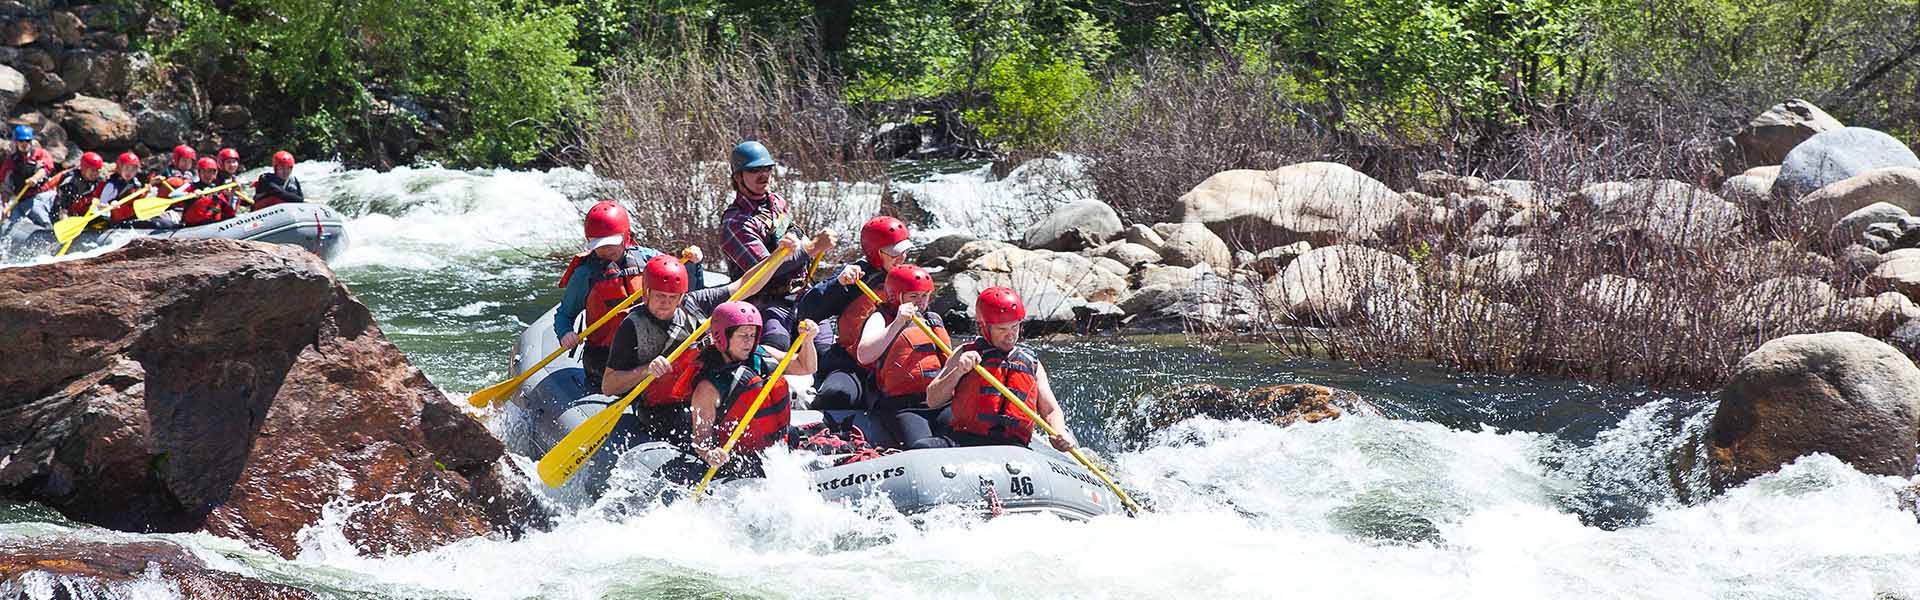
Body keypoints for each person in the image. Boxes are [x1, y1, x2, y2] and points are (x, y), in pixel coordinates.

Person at [601, 235, 802, 440]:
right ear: (646, 292)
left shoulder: (693, 303)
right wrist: (646, 369)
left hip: (705, 393)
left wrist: (777, 256)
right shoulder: (632, 327)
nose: (666, 303)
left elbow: (745, 284)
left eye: (673, 297)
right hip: (662, 408)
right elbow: (609, 386)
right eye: (660, 296)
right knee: (710, 432)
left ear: (681, 296)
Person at [554, 200, 704, 392]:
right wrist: (566, 333)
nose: (606, 251)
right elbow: (564, 315)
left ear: (626, 236)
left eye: (611, 244)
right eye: (600, 245)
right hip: (606, 359)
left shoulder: (648, 258)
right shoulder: (585, 275)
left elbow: (680, 283)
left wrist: (694, 263)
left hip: (651, 349)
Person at [671, 302, 818, 483]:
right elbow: (701, 436)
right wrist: (709, 454)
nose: (749, 341)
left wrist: (808, 340)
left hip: (779, 447)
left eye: (752, 335)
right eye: (742, 336)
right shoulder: (708, 387)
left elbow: (806, 366)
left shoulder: (763, 353)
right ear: (722, 337)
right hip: (741, 460)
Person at [921, 287, 1078, 453]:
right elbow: (933, 400)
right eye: (1002, 329)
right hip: (965, 441)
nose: (1010, 335)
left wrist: (1059, 432)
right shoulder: (965, 353)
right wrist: (958, 371)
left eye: (1014, 327)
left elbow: (1051, 410)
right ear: (984, 328)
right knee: (921, 447)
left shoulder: (1032, 363)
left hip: (1013, 447)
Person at [718, 140, 835, 350]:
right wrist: (813, 247)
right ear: (738, 177)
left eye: (767, 169)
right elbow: (765, 272)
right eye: (754, 170)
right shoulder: (735, 223)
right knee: (775, 347)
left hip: (801, 294)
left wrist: (803, 243)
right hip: (765, 302)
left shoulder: (776, 202)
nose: (763, 175)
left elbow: (795, 236)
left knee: (825, 348)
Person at [796, 216, 913, 410]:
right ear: (875, 253)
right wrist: (838, 284)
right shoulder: (854, 278)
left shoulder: (911, 278)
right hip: (852, 365)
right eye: (894, 253)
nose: (901, 258)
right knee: (837, 395)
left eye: (904, 251)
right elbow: (807, 311)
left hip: (897, 363)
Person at [854, 265, 950, 448]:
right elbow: (864, 355)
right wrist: (898, 322)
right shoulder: (881, 318)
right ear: (896, 296)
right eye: (913, 296)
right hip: (902, 405)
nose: (920, 302)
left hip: (938, 400)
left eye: (924, 296)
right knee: (921, 445)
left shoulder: (933, 319)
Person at [1, 124, 55, 226]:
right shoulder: (10, 162)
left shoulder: (40, 154)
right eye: (21, 141)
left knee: (36, 210)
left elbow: (46, 168)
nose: (25, 144)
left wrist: (35, 178)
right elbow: (5, 187)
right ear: (16, 142)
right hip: (22, 198)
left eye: (28, 141)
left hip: (42, 195)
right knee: (11, 217)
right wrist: (5, 205)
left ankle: (48, 229)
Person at [181, 157, 238, 226]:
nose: (207, 175)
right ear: (199, 173)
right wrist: (190, 194)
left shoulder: (217, 190)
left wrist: (233, 194)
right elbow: (173, 195)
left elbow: (229, 213)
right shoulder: (191, 187)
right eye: (204, 171)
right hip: (194, 226)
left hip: (213, 224)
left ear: (215, 174)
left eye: (210, 171)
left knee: (219, 207)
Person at [97, 152, 149, 225]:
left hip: (131, 218)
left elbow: (138, 201)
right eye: (126, 168)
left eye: (133, 169)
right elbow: (101, 205)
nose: (129, 172)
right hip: (115, 221)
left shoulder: (136, 183)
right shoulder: (111, 185)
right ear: (119, 168)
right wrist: (110, 206)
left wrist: (147, 191)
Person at [54, 152, 108, 220]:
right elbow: (62, 209)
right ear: (84, 168)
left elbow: (97, 200)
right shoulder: (70, 182)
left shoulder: (98, 180)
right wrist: (65, 223)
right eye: (93, 170)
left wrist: (103, 205)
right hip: (62, 212)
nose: (95, 173)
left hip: (82, 211)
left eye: (98, 170)